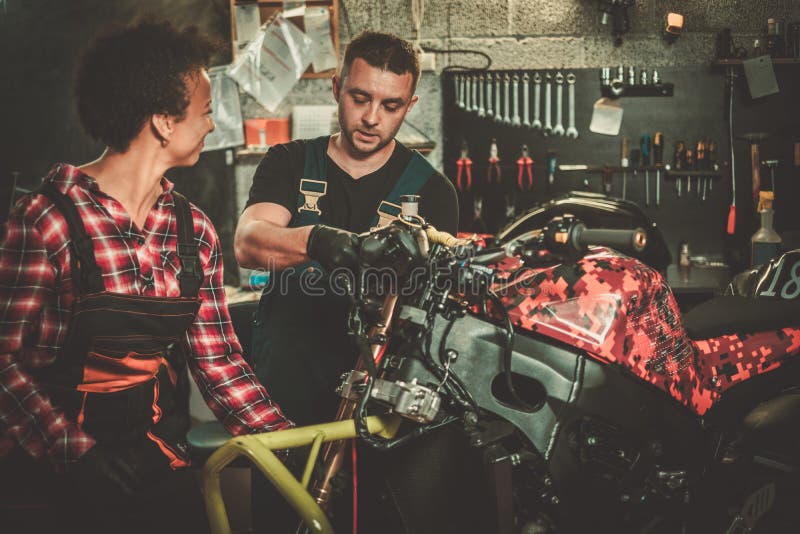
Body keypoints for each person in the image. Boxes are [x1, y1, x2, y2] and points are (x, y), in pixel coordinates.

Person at [0, 18, 291, 534]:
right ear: (162, 121)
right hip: (46, 470)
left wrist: (291, 445)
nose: (211, 125)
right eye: (204, 112)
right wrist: (76, 455)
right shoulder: (48, 220)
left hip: (150, 462)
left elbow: (220, 364)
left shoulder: (193, 232)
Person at [236, 31, 468, 532]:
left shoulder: (432, 191)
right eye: (360, 98)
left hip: (379, 398)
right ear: (337, 87)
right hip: (286, 388)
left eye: (390, 105)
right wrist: (319, 241)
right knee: (279, 516)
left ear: (410, 105)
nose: (371, 118)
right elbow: (250, 242)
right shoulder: (291, 163)